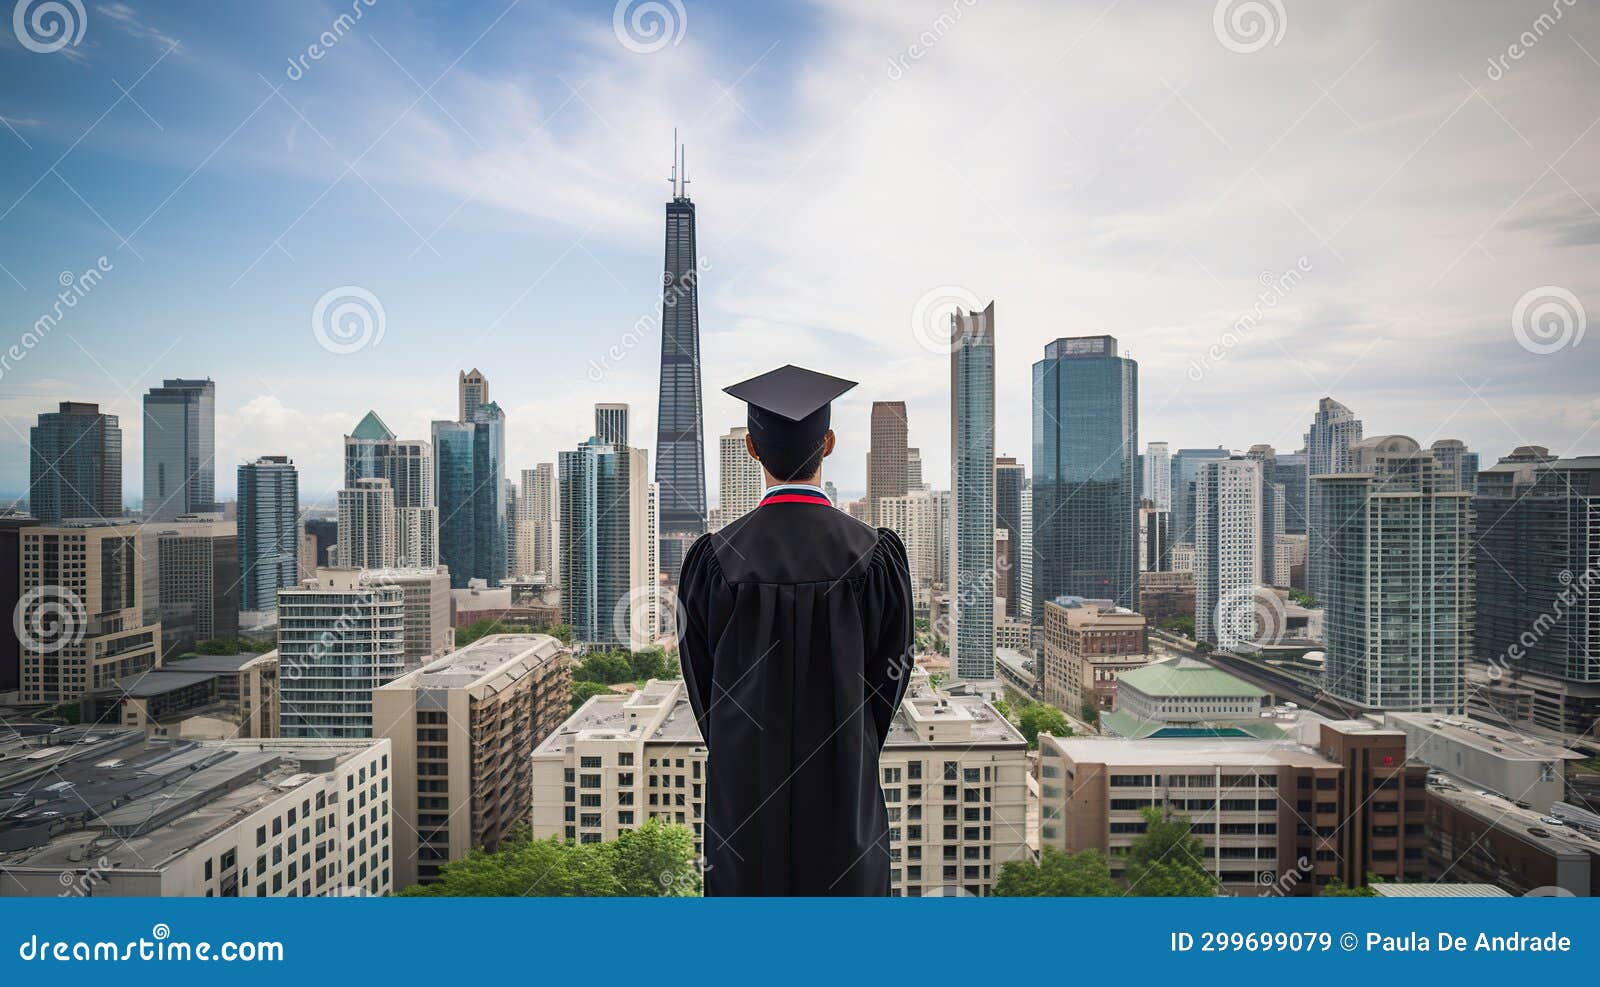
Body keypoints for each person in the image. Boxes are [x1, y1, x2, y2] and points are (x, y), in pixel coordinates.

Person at [677, 364, 914, 896]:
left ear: (751, 450)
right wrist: (850, 741)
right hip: (843, 798)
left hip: (744, 807)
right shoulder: (875, 557)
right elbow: (890, 678)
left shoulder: (714, 560)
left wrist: (742, 749)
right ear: (828, 444)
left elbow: (702, 682)